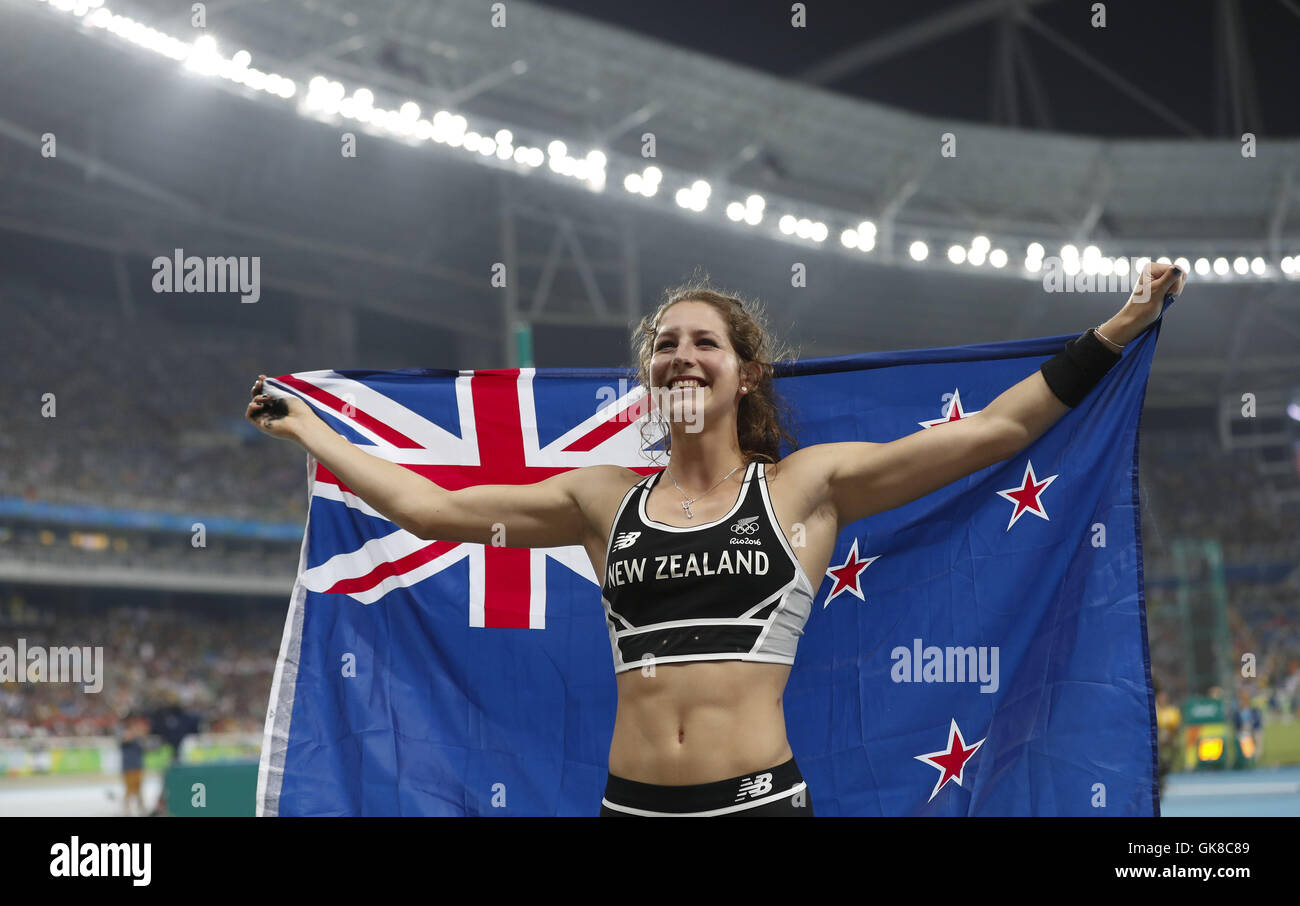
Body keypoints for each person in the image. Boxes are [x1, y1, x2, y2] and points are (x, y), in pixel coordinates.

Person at [247, 263, 1186, 817]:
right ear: (651, 380)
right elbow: (435, 513)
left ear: (744, 374)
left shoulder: (805, 489)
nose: (680, 356)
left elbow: (994, 436)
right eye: (664, 346)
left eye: (703, 343)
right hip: (632, 806)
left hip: (759, 806)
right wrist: (317, 435)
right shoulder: (599, 500)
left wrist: (1120, 325)